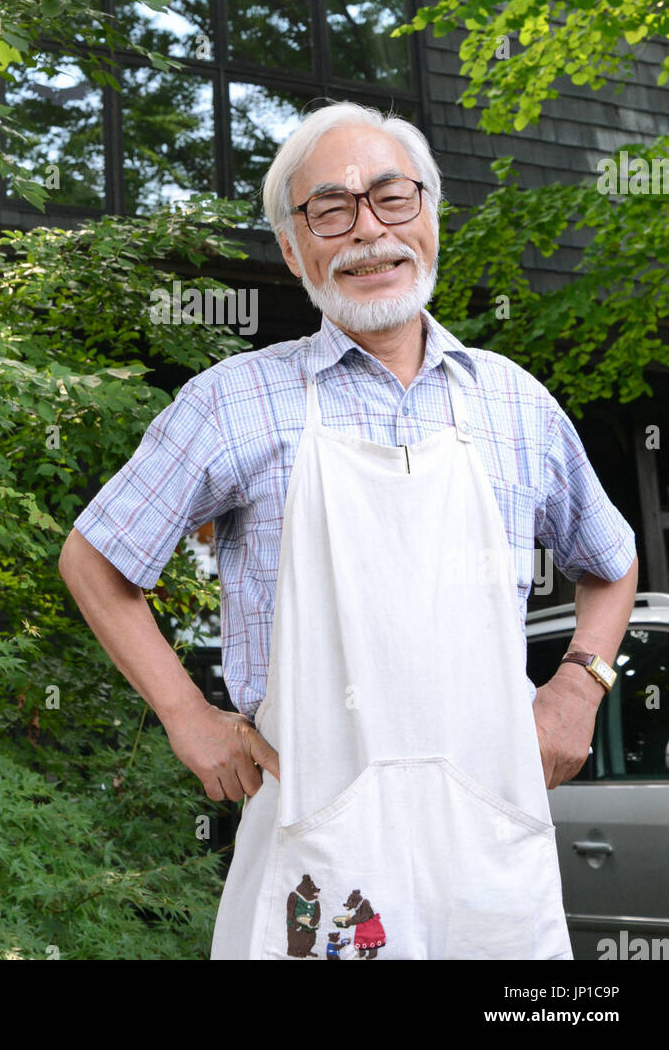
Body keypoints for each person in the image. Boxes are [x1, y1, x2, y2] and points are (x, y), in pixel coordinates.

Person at [59, 102, 638, 960]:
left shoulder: (516, 402)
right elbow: (96, 559)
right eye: (330, 209)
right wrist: (186, 714)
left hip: (490, 839)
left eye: (392, 197)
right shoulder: (235, 401)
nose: (368, 230)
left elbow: (611, 560)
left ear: (430, 217)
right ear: (295, 250)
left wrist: (579, 686)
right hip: (319, 831)